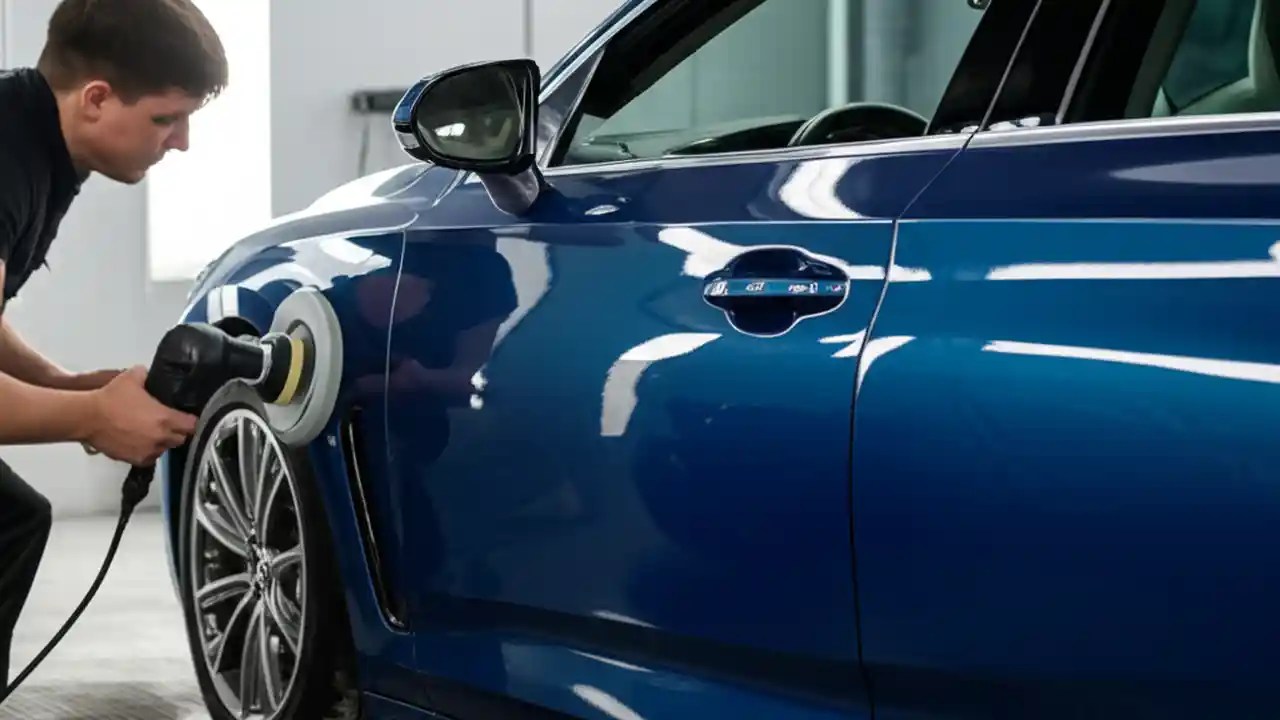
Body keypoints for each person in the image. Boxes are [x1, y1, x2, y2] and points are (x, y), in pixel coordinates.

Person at [0, 0, 227, 686]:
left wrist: (67, 387)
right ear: (96, 99)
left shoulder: (34, 138)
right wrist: (94, 417)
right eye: (167, 117)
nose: (181, 141)